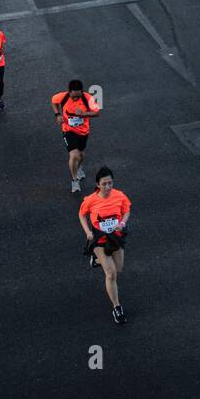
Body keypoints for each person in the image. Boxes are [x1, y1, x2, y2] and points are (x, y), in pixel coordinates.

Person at [78, 167, 131, 325]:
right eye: (104, 184)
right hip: (99, 239)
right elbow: (81, 214)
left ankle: (97, 261)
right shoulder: (90, 200)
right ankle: (117, 307)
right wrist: (88, 231)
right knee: (111, 274)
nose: (108, 187)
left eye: (110, 183)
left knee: (119, 267)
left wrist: (122, 223)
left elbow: (127, 210)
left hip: (116, 237)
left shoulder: (119, 195)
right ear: (98, 184)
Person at [52, 80, 101, 193]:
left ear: (82, 92)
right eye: (73, 96)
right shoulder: (62, 96)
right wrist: (57, 114)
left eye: (78, 96)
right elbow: (53, 101)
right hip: (68, 130)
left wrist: (84, 114)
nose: (75, 98)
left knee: (81, 155)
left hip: (83, 131)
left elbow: (97, 113)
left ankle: (79, 168)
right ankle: (74, 181)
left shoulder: (88, 98)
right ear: (69, 92)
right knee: (73, 155)